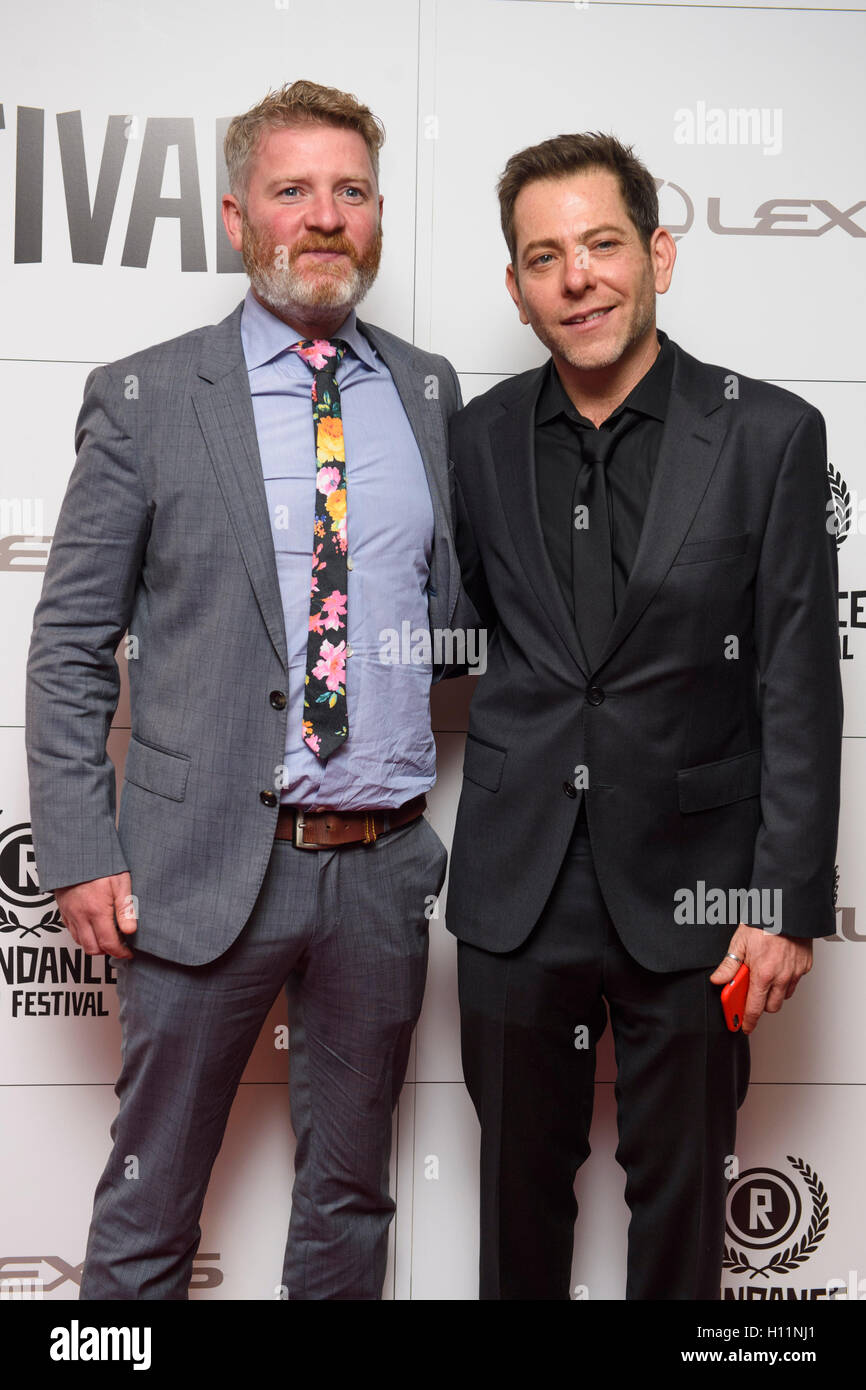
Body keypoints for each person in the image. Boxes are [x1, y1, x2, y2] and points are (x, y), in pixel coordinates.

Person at [25, 79, 465, 1301]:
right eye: (292, 189)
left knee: (351, 1195)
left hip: (379, 870)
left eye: (350, 191)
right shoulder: (146, 394)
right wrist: (76, 846)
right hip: (200, 862)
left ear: (377, 215)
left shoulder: (426, 392)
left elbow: (453, 617)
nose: (323, 216)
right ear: (236, 216)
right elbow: (69, 646)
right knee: (152, 1191)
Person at [446, 132, 842, 1300]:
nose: (577, 276)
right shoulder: (475, 438)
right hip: (518, 889)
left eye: (602, 243)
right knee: (514, 1204)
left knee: (680, 1215)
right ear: (516, 289)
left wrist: (781, 901)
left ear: (656, 251)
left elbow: (797, 686)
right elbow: (471, 629)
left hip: (700, 891)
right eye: (543, 256)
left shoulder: (766, 436)